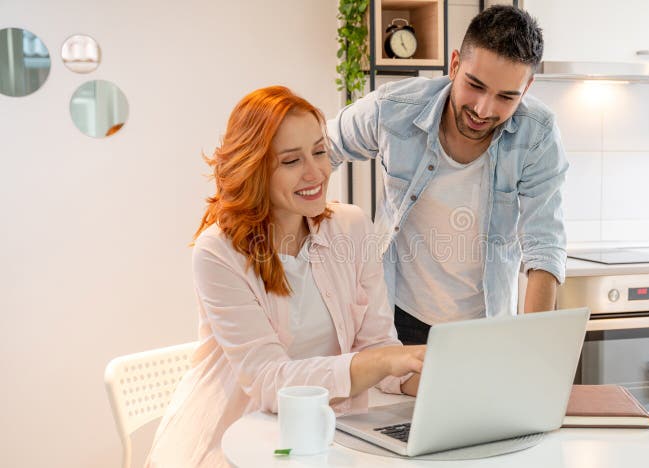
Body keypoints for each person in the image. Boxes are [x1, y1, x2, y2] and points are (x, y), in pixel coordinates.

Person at [146, 86, 424, 467]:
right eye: (291, 161)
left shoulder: (351, 226)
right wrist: (382, 363)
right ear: (255, 167)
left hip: (323, 434)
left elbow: (376, 345)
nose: (315, 173)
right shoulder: (218, 252)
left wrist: (422, 375)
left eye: (320, 151)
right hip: (234, 436)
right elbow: (267, 380)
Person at [327, 5, 568, 344]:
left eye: (505, 97)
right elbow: (322, 147)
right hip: (397, 315)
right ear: (454, 64)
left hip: (486, 323)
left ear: (526, 90)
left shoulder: (538, 135)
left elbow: (544, 245)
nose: (483, 110)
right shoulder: (394, 109)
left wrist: (533, 345)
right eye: (475, 85)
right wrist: (314, 218)